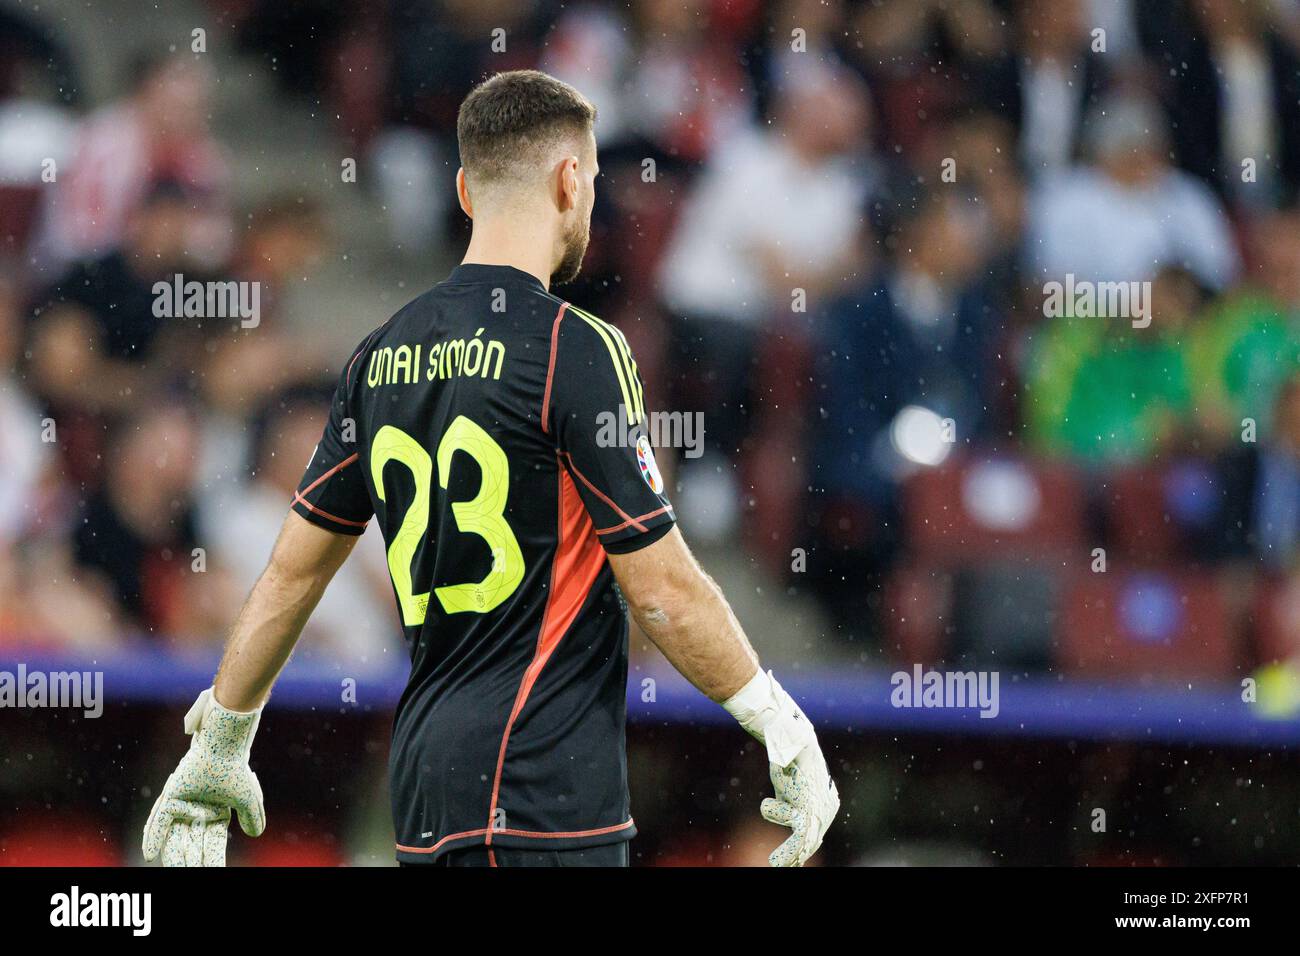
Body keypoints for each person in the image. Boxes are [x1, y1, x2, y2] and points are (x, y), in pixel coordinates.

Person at [142, 70, 838, 869]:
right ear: (571, 180)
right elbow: (664, 590)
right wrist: (777, 718)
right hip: (543, 789)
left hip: (426, 788)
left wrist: (224, 737)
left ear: (466, 192)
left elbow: (292, 574)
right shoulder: (577, 349)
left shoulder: (377, 357)